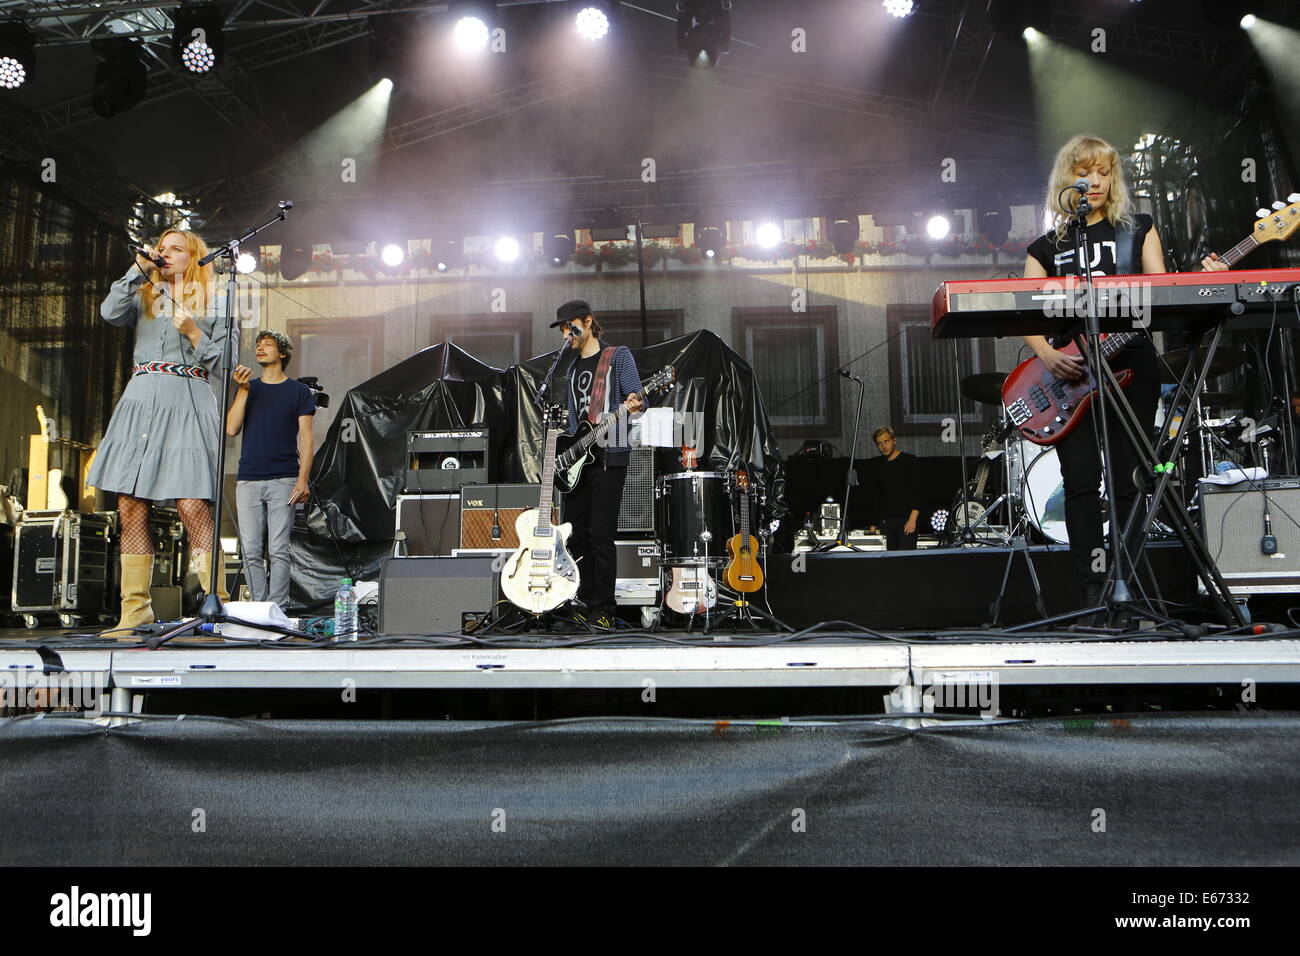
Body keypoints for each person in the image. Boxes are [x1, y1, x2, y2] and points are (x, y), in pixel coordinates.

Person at [1022, 133, 1228, 611]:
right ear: (1066, 179)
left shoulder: (1138, 229)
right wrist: (1048, 356)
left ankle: (1125, 584)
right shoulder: (1046, 247)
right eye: (1084, 171)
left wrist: (1206, 280)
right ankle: (1089, 590)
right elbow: (1026, 314)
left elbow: (1162, 295)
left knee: (1128, 477)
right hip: (1069, 372)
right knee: (1079, 482)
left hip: (1130, 359)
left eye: (1103, 172)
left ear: (1113, 179)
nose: (1093, 181)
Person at [89, 230, 238, 635]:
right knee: (130, 505)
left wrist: (193, 331)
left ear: (195, 258)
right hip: (141, 399)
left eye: (175, 249)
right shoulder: (145, 294)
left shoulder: (218, 300)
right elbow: (108, 312)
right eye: (162, 247)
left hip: (187, 398)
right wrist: (138, 268)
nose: (165, 253)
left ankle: (217, 606)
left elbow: (226, 363)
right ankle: (134, 612)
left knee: (192, 505)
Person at [550, 299, 643, 629]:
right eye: (562, 329)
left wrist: (634, 404)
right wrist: (569, 454)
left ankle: (604, 607)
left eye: (570, 327)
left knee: (600, 535)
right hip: (579, 461)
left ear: (588, 322)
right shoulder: (572, 367)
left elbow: (638, 398)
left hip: (609, 456)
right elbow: (576, 421)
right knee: (575, 537)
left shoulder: (617, 356)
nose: (566, 333)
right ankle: (582, 601)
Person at [225, 331, 316, 610]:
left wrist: (303, 480)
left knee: (278, 550)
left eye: (268, 345)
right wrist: (242, 390)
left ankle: (275, 611)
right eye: (258, 345)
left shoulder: (298, 391)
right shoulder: (248, 388)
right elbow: (231, 429)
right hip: (249, 479)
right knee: (250, 551)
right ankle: (257, 610)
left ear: (283, 353)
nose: (260, 348)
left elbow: (307, 438)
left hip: (284, 477)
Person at [865, 426, 920, 550]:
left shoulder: (909, 461)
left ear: (894, 440)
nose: (884, 446)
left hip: (906, 522)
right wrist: (873, 526)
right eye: (880, 443)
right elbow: (877, 499)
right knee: (889, 564)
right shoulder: (878, 467)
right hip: (886, 524)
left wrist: (912, 520)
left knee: (905, 562)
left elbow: (919, 492)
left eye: (886, 441)